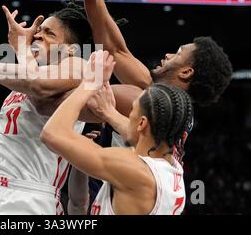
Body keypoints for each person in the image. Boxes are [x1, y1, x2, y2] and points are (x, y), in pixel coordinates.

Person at [0, 2, 139, 215]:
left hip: (31, 199)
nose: (36, 36)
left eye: (49, 33)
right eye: (38, 32)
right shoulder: (14, 93)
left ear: (69, 49)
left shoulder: (78, 66)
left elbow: (39, 86)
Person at [72, 0, 233, 162]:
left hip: (132, 194)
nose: (167, 55)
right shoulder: (164, 99)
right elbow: (116, 50)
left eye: (177, 54)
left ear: (186, 72)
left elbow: (67, 102)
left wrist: (26, 72)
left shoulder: (152, 105)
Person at [41, 50, 193, 215]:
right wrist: (108, 113)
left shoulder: (132, 168)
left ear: (141, 124)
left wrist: (89, 84)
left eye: (132, 111)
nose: (126, 117)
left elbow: (52, 133)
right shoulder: (174, 171)